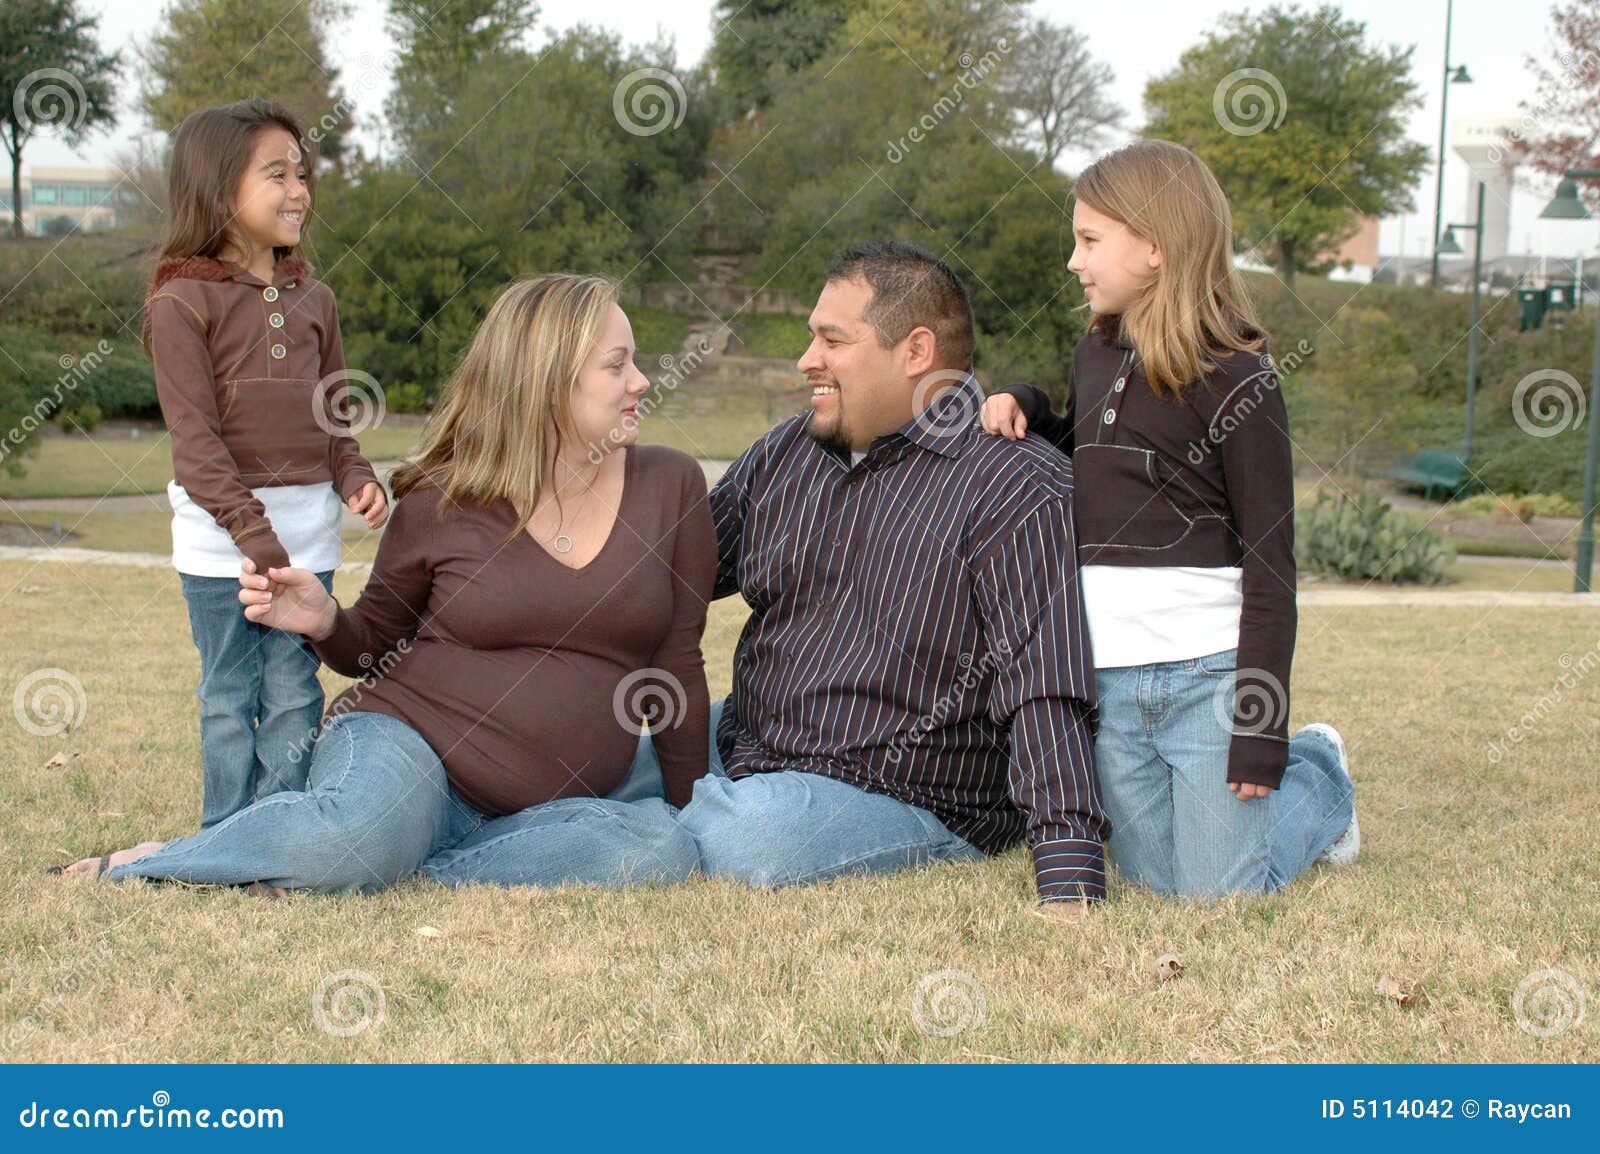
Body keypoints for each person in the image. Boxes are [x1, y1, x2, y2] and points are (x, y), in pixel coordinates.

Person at [60, 275, 711, 892]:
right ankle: (166, 860)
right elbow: (372, 645)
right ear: (546, 381)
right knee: (355, 837)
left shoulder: (671, 485)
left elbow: (676, 665)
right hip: (407, 743)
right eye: (617, 365)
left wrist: (690, 811)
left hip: (553, 805)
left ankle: (417, 864)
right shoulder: (446, 499)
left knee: (663, 848)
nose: (641, 380)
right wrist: (325, 621)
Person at [629, 240, 1109, 912]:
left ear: (915, 352)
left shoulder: (1014, 484)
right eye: (811, 338)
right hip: (747, 749)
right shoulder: (788, 452)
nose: (807, 360)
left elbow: (1046, 685)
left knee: (751, 841)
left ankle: (659, 828)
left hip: (913, 795)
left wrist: (1068, 873)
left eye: (832, 340)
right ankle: (645, 819)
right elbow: (667, 576)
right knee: (588, 766)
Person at [982, 140, 1358, 898]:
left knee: (1221, 896)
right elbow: (1088, 454)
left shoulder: (1241, 377)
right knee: (1153, 884)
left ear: (1155, 246)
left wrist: (1261, 728)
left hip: (1209, 679)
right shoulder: (1094, 354)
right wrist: (1025, 400)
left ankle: (1318, 774)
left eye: (1090, 240)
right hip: (1110, 678)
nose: (1074, 261)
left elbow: (1273, 564)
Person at [141, 97, 387, 829]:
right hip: (222, 542)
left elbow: (334, 419)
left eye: (301, 174)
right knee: (228, 694)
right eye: (276, 174)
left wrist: (355, 477)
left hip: (306, 539)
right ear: (220, 192)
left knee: (292, 692)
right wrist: (251, 531)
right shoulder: (181, 303)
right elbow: (196, 445)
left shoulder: (317, 300)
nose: (299, 190)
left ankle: (280, 832)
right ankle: (224, 834)